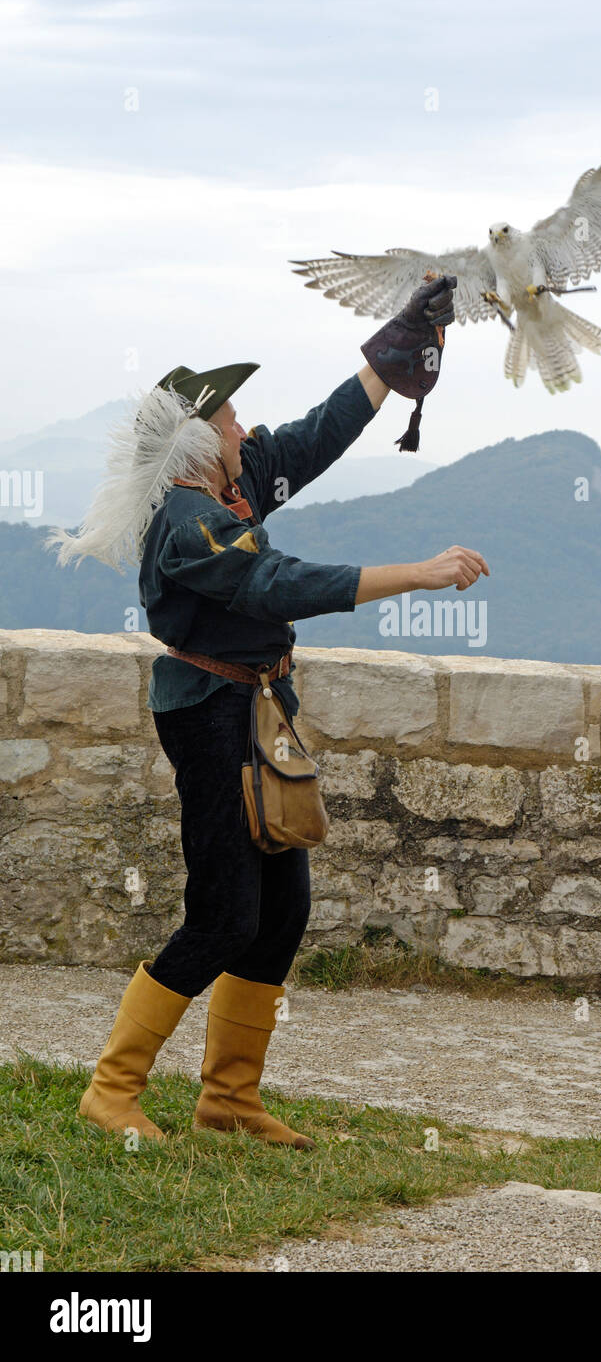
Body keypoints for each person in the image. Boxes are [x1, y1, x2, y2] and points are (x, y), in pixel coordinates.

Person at [46, 275, 490, 1150]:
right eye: (231, 421)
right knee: (223, 915)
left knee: (280, 913)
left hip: (256, 711)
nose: (246, 430)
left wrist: (389, 356)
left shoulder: (234, 484)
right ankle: (111, 1089)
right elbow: (273, 584)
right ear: (197, 446)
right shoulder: (185, 520)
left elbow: (316, 437)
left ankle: (229, 1101)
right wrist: (418, 573)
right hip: (209, 715)